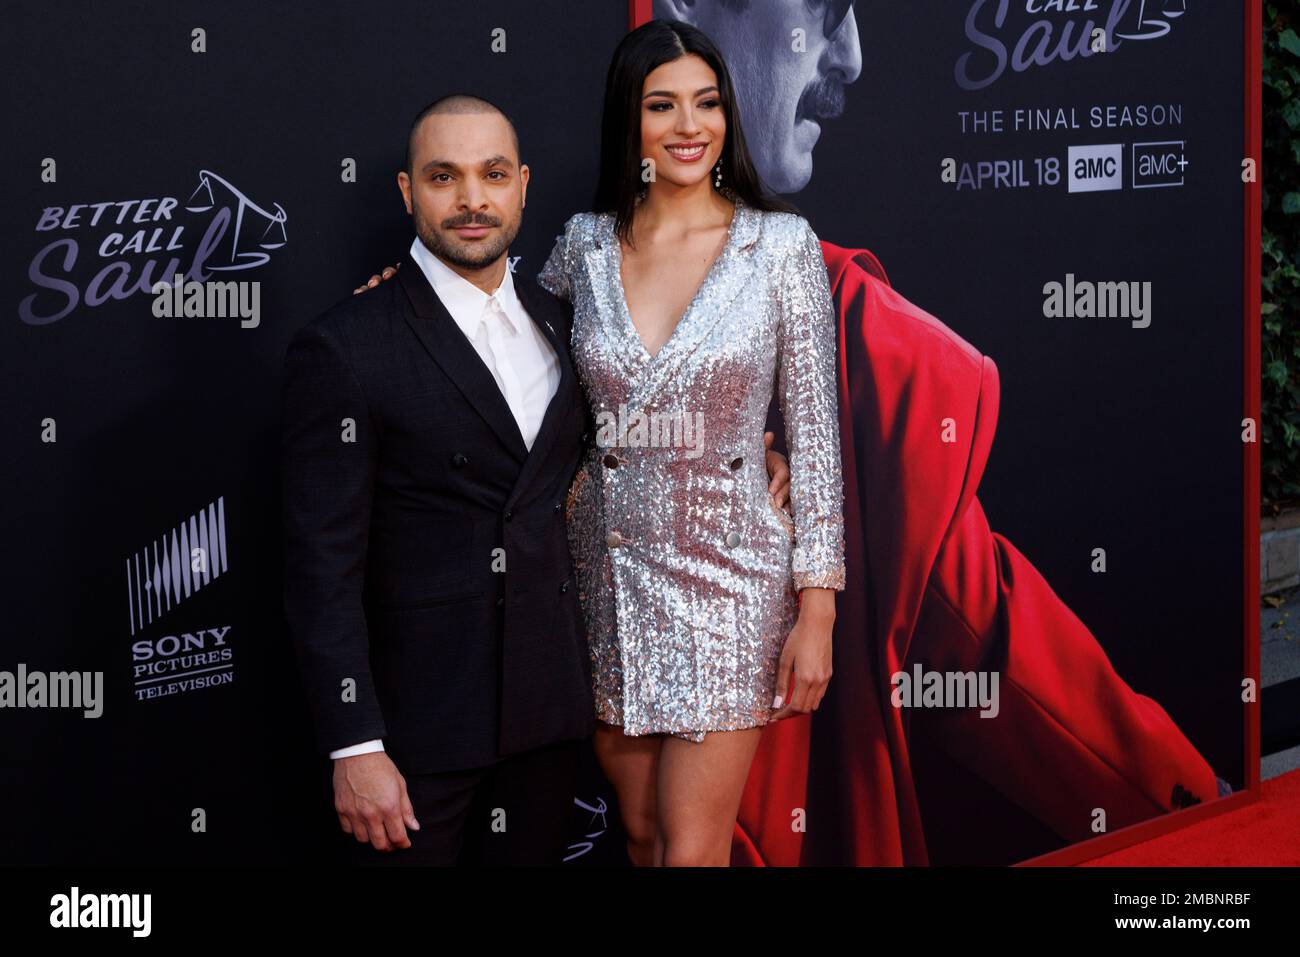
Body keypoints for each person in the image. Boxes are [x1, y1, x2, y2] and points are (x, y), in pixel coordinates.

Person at [298, 93, 793, 865]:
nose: (471, 200)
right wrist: (354, 743)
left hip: (547, 722)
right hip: (414, 737)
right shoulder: (349, 345)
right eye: (443, 177)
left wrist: (741, 459)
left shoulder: (561, 319)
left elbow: (621, 446)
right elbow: (321, 568)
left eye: (492, 174)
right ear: (406, 192)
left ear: (523, 186)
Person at [534, 20, 845, 867]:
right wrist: (405, 300)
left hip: (731, 576)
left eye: (707, 103)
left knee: (692, 850)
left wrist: (816, 607)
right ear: (627, 123)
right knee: (638, 832)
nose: (688, 125)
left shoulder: (781, 247)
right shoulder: (583, 247)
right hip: (609, 572)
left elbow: (814, 437)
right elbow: (506, 356)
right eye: (661, 105)